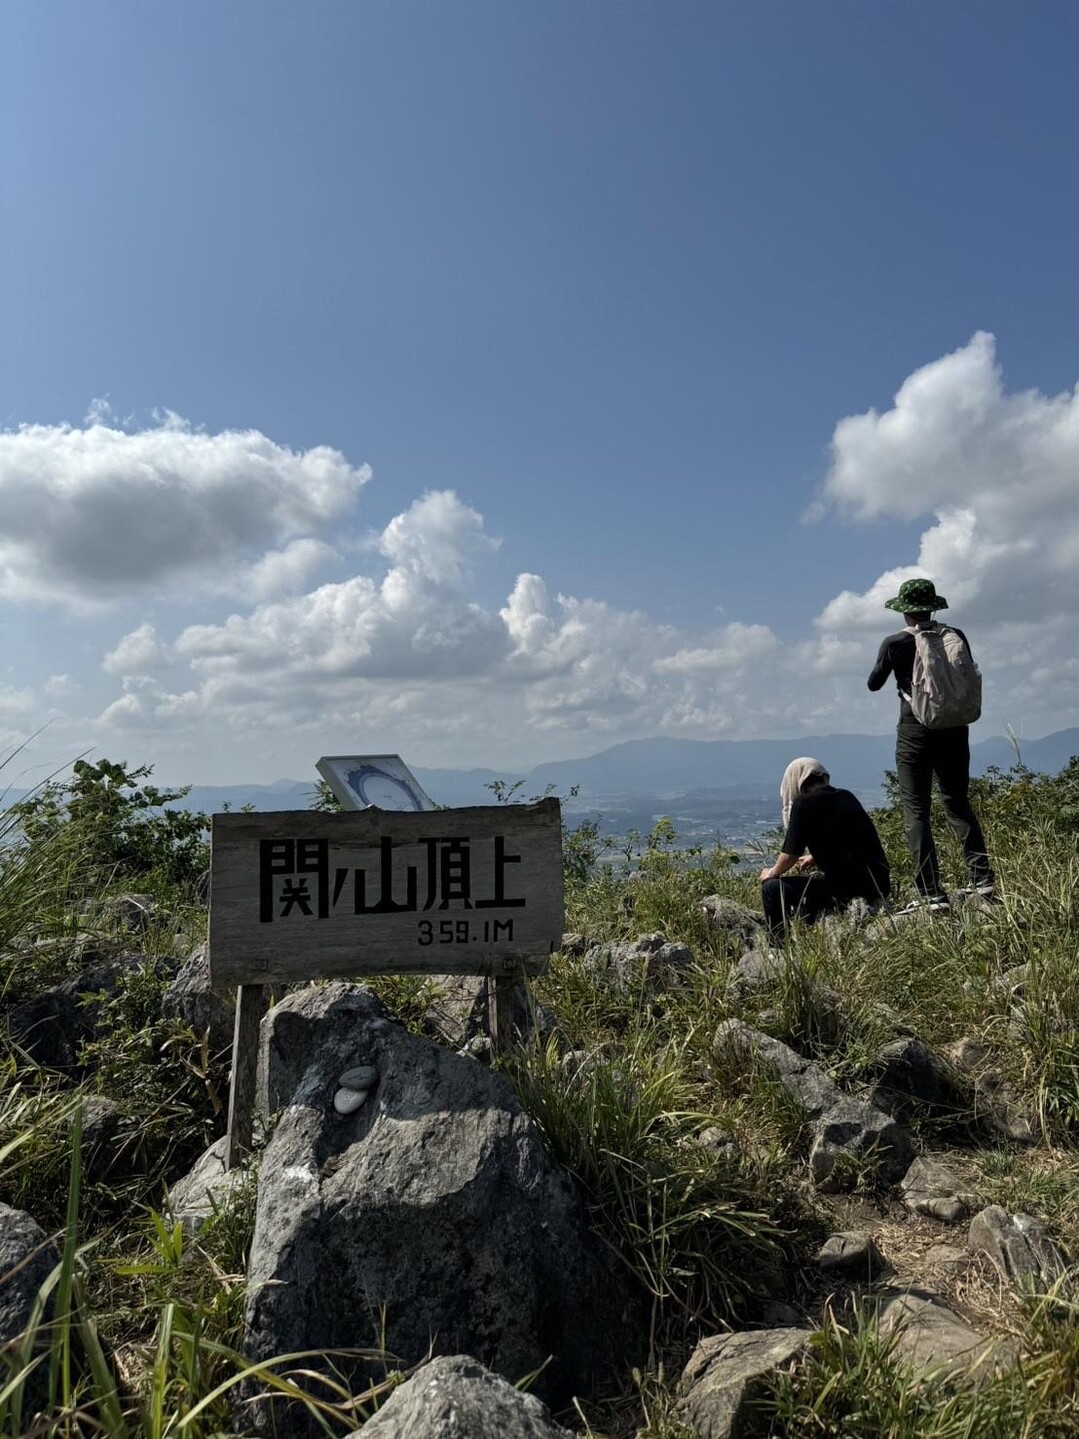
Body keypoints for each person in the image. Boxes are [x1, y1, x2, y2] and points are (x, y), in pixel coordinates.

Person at [866, 577, 995, 908]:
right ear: (932, 607)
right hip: (954, 728)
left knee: (917, 810)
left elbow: (873, 683)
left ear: (904, 610)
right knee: (957, 803)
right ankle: (983, 880)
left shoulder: (895, 643)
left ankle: (931, 893)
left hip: (915, 729)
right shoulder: (955, 636)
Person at [759, 757, 890, 939]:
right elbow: (848, 839)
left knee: (772, 889)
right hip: (878, 887)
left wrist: (772, 872)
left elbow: (790, 855)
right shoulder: (846, 796)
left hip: (846, 892)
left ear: (796, 783)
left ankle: (778, 945)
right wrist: (815, 856)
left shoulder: (803, 804)